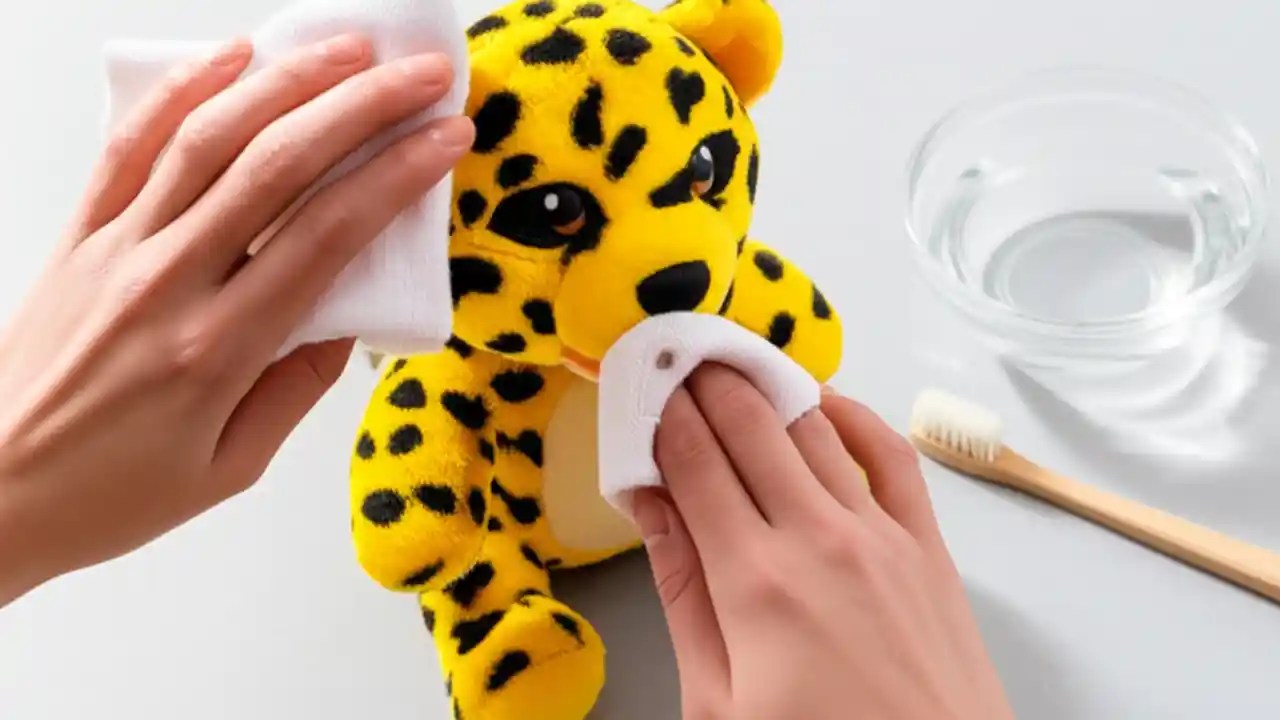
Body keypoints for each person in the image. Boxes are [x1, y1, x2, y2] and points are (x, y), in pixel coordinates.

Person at [0, 36, 1014, 719]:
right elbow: (407, 513)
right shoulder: (450, 367)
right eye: (552, 220)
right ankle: (493, 619)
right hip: (520, 522)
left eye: (698, 178)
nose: (673, 259)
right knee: (460, 557)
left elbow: (804, 333)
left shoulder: (719, 295)